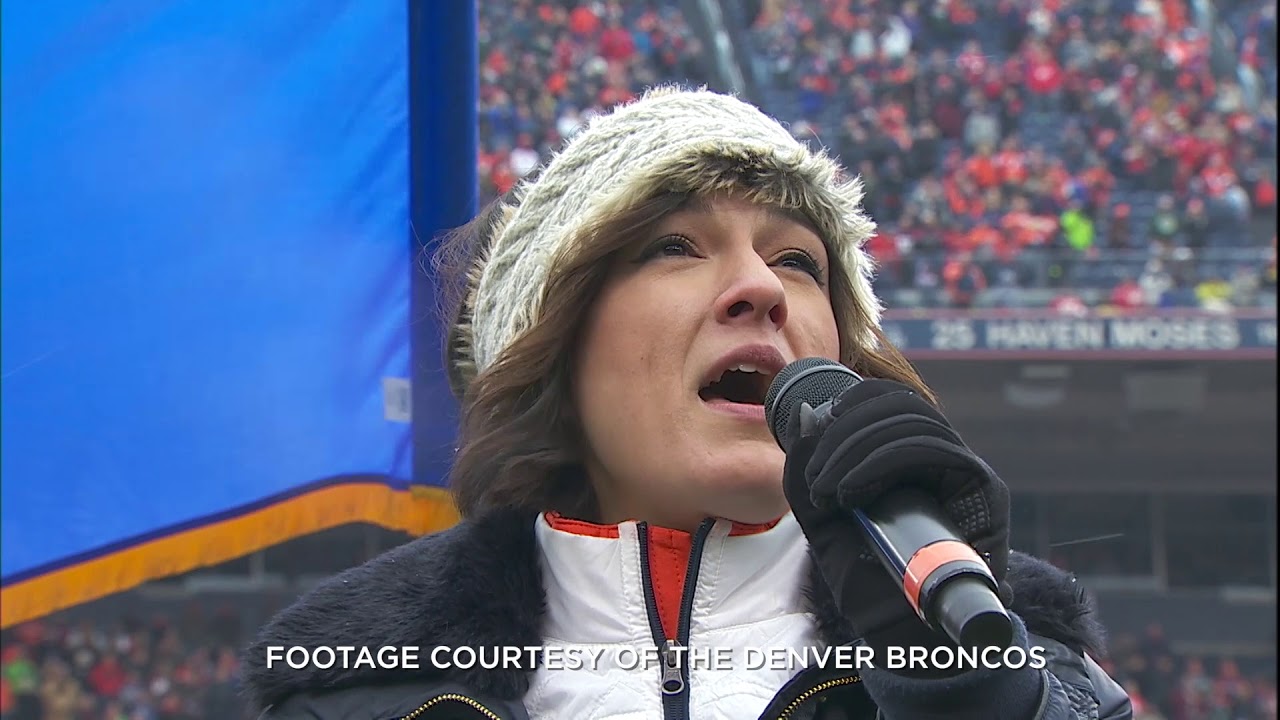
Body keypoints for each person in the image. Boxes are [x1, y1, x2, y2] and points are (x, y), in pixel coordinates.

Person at [240, 86, 1132, 719]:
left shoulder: (1019, 664)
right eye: (676, 246)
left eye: (797, 261)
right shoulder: (356, 694)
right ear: (551, 345)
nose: (761, 289)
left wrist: (975, 699)